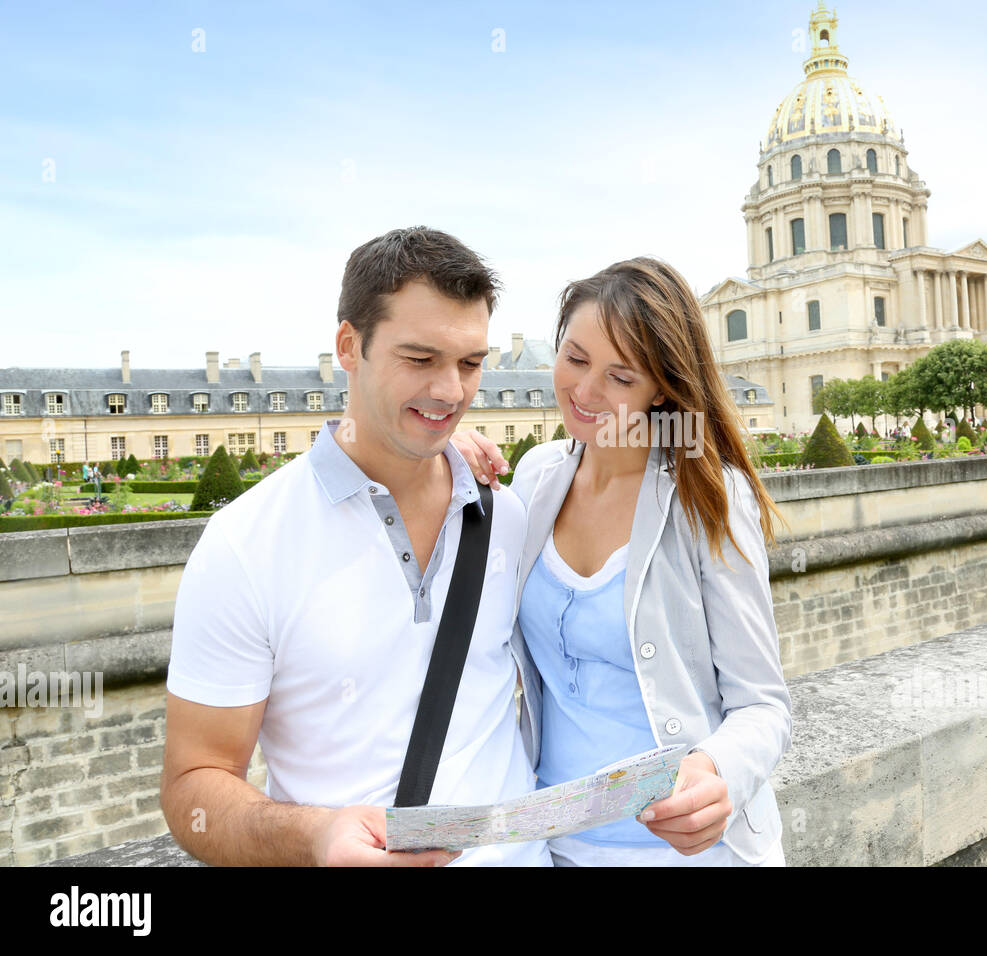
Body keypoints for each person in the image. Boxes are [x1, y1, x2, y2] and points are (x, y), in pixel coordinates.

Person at [160, 227, 550, 866]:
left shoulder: (504, 512)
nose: (451, 391)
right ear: (349, 346)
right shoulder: (244, 545)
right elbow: (191, 788)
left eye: (470, 363)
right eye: (420, 360)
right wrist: (317, 838)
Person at [455, 257, 792, 865]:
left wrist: (718, 771)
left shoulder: (709, 496)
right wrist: (433, 451)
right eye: (575, 359)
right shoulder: (536, 475)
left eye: (620, 377)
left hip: (684, 852)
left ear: (662, 387)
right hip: (554, 843)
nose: (584, 393)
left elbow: (763, 704)